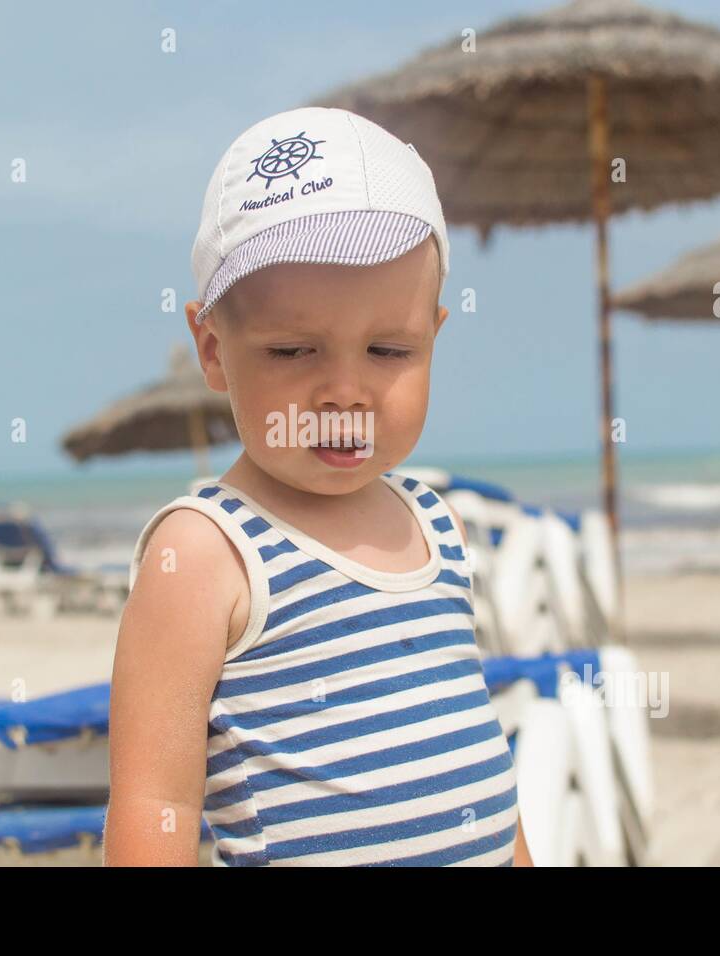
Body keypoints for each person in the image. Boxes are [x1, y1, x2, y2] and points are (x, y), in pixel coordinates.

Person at [104, 107, 530, 866]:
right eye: (294, 349)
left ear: (434, 335)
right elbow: (155, 802)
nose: (343, 391)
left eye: (389, 349)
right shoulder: (207, 554)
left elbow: (474, 762)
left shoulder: (434, 527)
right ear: (212, 348)